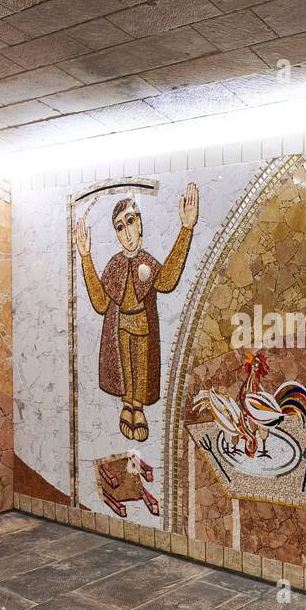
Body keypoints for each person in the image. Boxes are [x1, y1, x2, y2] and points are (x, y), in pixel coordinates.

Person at [74, 183, 198, 442]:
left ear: (140, 224)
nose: (127, 232)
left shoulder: (147, 261)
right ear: (117, 234)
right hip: (119, 327)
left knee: (141, 364)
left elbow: (167, 280)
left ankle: (137, 407)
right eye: (120, 227)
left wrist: (186, 229)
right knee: (124, 367)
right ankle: (127, 404)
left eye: (130, 221)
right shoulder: (115, 265)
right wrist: (85, 257)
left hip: (143, 325)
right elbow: (99, 302)